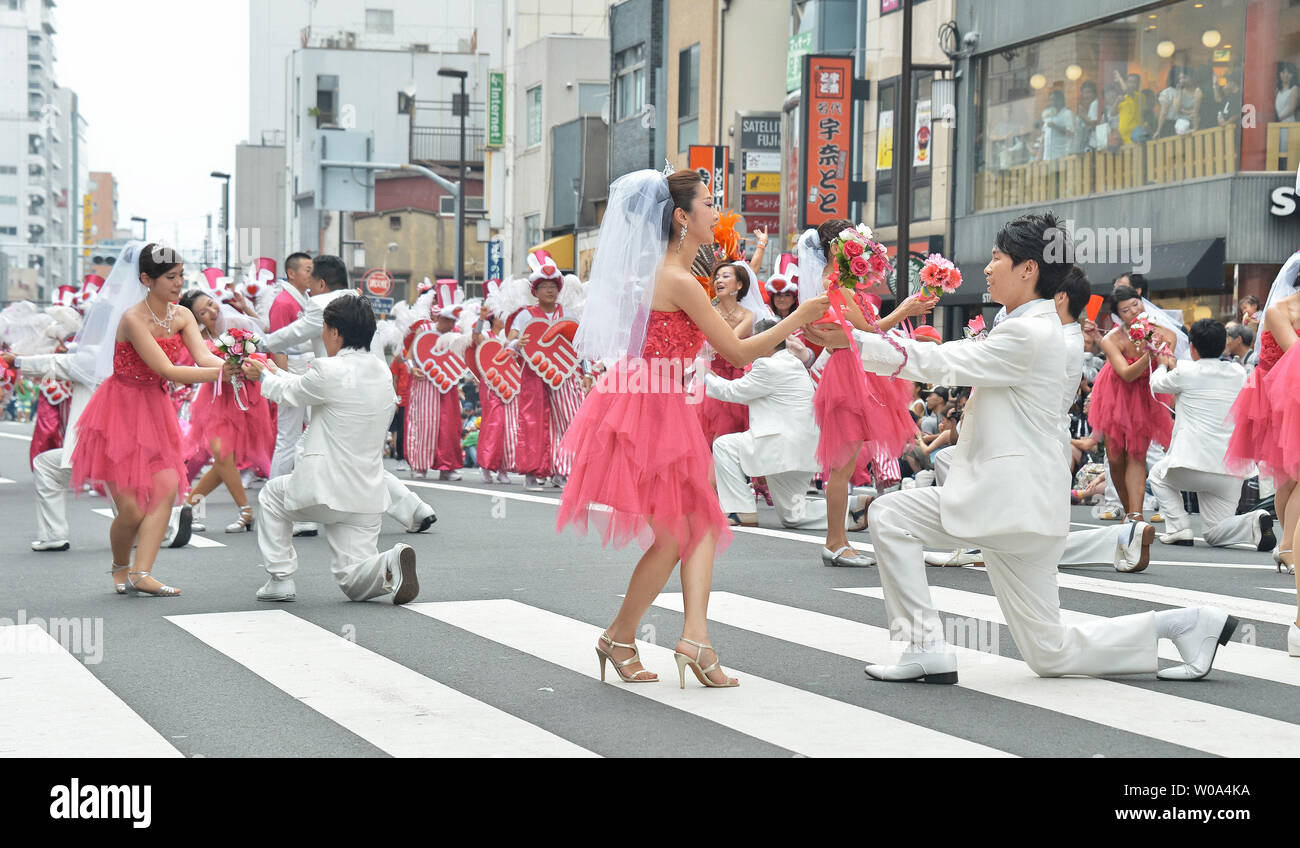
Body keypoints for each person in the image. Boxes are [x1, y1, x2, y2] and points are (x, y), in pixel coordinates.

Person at [826, 212, 1238, 684]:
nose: (986, 267)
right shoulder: (1033, 326)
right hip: (1029, 505)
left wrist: (856, 343)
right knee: (1050, 652)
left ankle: (926, 646)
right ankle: (1186, 624)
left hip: (1006, 499)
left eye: (996, 257)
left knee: (890, 516)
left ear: (1028, 270)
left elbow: (941, 360)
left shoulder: (1030, 331)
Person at [555, 168, 830, 687]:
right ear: (681, 217)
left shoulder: (676, 275)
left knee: (696, 526)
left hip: (657, 401)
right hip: (653, 406)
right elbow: (739, 350)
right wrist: (801, 316)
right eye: (707, 203)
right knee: (677, 533)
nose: (715, 211)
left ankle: (683, 638)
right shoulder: (677, 279)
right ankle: (637, 637)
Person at [69, 242, 227, 596]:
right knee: (130, 512)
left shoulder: (183, 316)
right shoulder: (132, 319)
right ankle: (120, 566)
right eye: (170, 277)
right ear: (146, 279)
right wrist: (225, 374)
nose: (178, 283)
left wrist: (241, 365)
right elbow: (168, 369)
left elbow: (204, 358)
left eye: (181, 275)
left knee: (167, 488)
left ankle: (143, 573)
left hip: (156, 411)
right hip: (119, 412)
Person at [241, 294, 419, 604]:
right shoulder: (381, 372)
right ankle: (389, 563)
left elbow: (291, 393)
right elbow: (306, 387)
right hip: (367, 494)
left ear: (335, 332)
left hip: (324, 488)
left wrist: (264, 375)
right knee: (352, 579)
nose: (322, 335)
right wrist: (271, 371)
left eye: (324, 328)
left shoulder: (328, 369)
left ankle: (280, 578)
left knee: (270, 496)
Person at [262, 255, 437, 535]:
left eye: (311, 285)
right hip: (379, 389)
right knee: (359, 459)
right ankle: (415, 510)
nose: (309, 293)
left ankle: (301, 516)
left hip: (339, 390)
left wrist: (254, 342)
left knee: (307, 448)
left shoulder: (323, 304)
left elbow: (289, 336)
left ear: (321, 283)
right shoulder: (360, 302)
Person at [797, 220, 938, 567]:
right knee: (842, 466)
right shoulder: (833, 283)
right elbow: (866, 330)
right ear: (837, 249)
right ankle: (834, 542)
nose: (860, 251)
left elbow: (857, 334)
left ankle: (842, 540)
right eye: (855, 246)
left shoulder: (843, 284)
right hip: (848, 376)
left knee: (847, 464)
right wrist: (903, 310)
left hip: (859, 370)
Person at [708, 316, 870, 529]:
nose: (749, 344)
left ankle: (741, 511)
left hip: (781, 445)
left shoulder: (768, 365)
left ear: (765, 339)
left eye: (753, 339)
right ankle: (852, 508)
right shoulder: (791, 362)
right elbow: (751, 394)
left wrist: (706, 376)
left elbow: (733, 392)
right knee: (794, 516)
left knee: (724, 446)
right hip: (802, 448)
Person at [1147, 319, 1273, 549]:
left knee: (1156, 475)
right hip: (1230, 469)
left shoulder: (1185, 370)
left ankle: (1179, 527)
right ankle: (1252, 521)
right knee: (1215, 533)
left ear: (1192, 346)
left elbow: (1156, 385)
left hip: (1189, 465)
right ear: (1224, 345)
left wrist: (1163, 364)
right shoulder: (1237, 371)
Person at [1226, 253, 1300, 577]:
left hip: (1289, 394)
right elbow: (1295, 357)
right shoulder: (1278, 310)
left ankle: (1286, 546)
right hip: (1280, 397)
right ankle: (1287, 546)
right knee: (1289, 478)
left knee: (1289, 479)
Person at [177, 290, 275, 532]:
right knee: (222, 456)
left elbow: (265, 334)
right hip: (214, 401)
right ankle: (245, 511)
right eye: (203, 312)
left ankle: (187, 508)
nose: (212, 312)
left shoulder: (237, 323)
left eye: (211, 304)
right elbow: (197, 363)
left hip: (244, 398)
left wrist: (247, 310)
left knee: (224, 460)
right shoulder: (197, 337)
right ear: (196, 318)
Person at [1088, 284, 1175, 522]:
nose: (1133, 312)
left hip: (1143, 396)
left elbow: (1170, 361)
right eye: (1125, 310)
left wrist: (1161, 351)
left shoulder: (1162, 333)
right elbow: (1126, 373)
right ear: (1118, 316)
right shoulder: (1111, 339)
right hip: (1115, 394)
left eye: (1136, 304)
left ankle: (1136, 516)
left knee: (1137, 453)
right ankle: (1128, 509)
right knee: (1115, 457)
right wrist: (1150, 353)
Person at [507, 255, 585, 491]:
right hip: (534, 375)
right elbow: (509, 343)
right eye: (544, 287)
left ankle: (564, 470)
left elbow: (579, 347)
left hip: (565, 376)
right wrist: (517, 344)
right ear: (535, 290)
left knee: (571, 420)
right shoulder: (525, 315)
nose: (550, 291)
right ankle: (532, 472)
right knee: (533, 422)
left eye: (553, 286)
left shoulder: (569, 314)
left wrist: (586, 372)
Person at [405, 298, 466, 482]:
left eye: (454, 321)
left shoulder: (456, 334)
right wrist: (412, 368)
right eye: (449, 320)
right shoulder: (423, 331)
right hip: (424, 384)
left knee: (448, 426)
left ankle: (447, 467)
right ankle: (419, 465)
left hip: (448, 385)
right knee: (424, 423)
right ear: (441, 318)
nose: (451, 325)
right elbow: (407, 356)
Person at [698, 261, 754, 444]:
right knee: (709, 434)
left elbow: (731, 341)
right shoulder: (708, 312)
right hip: (710, 374)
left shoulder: (748, 315)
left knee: (734, 432)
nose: (719, 281)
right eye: (717, 277)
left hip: (738, 376)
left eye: (726, 276)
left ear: (739, 285)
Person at [1040, 90, 1075, 161]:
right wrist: (1039, 155)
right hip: (1047, 157)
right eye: (1050, 100)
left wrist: (1055, 126)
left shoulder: (1067, 113)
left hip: (1061, 156)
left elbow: (1070, 133)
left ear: (1060, 100)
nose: (1051, 102)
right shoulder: (1049, 114)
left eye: (1053, 100)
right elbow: (1044, 135)